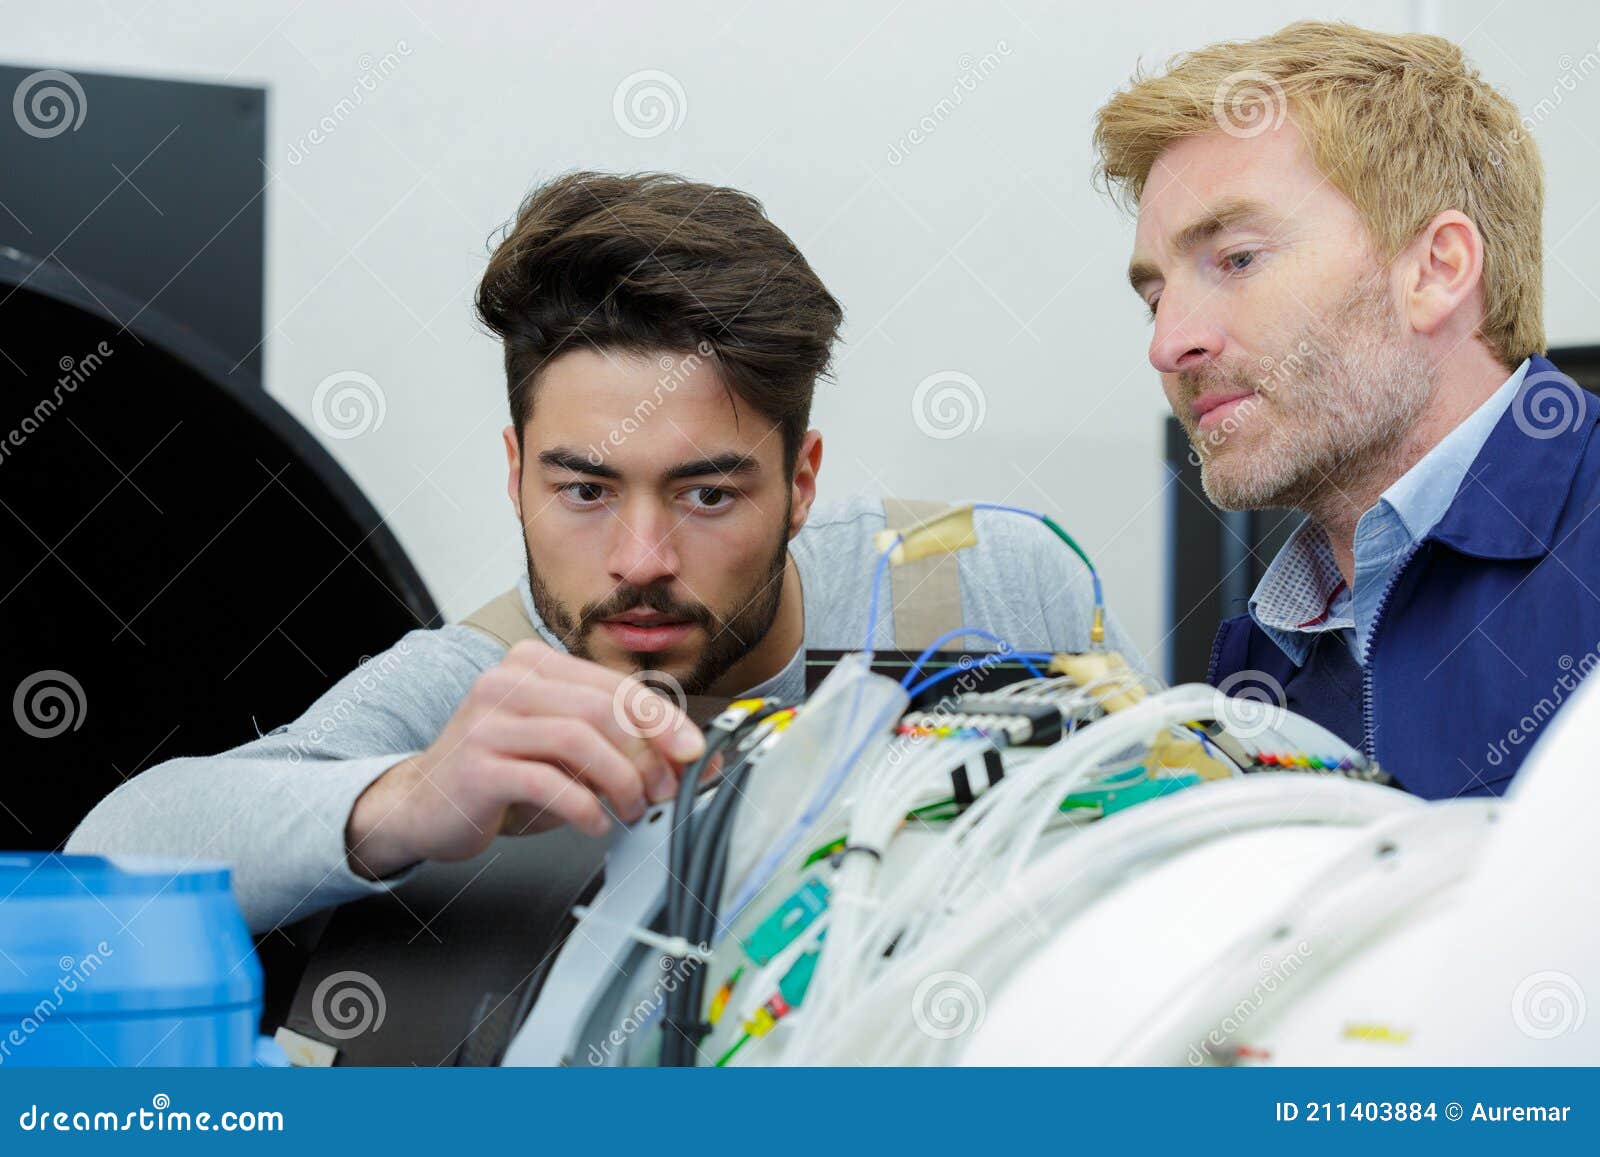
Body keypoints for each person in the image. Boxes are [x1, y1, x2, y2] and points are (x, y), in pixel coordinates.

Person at [68, 171, 1128, 932]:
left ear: (802, 479)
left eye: (707, 491)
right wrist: (406, 798)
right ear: (515, 472)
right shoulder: (482, 691)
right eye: (583, 489)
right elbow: (114, 854)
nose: (639, 558)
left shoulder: (978, 579)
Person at [1093, 21, 1600, 798]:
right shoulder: (1268, 653)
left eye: (1236, 259)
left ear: (1436, 271)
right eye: (1156, 298)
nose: (1169, 344)